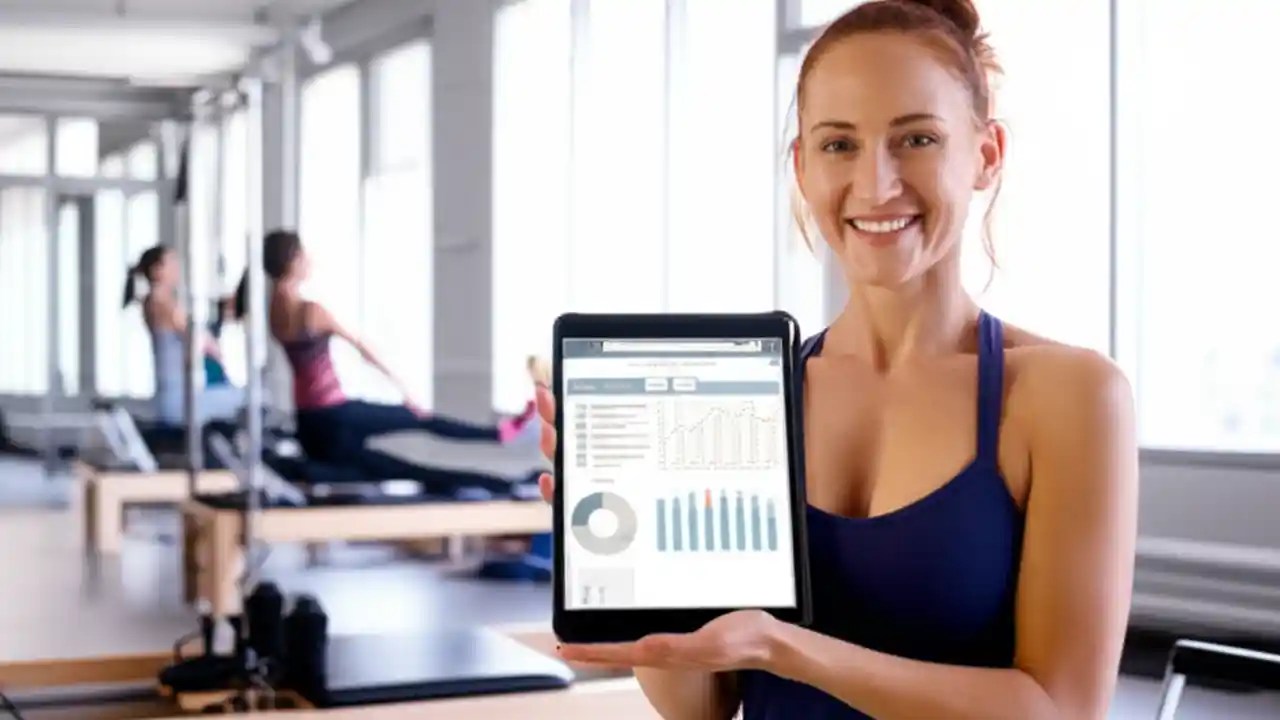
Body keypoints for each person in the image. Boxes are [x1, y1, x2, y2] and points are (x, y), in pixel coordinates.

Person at [535, 1, 1139, 718]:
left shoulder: (1067, 395)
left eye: (915, 138)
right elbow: (701, 708)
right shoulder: (749, 398)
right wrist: (640, 580)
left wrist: (785, 649)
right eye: (838, 145)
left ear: (986, 155)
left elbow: (1063, 710)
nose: (876, 185)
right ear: (801, 165)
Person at [234, 229, 537, 466]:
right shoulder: (311, 311)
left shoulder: (273, 311)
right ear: (294, 259)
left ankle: (498, 446)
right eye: (305, 254)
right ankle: (499, 434)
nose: (310, 259)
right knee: (422, 421)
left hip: (308, 422)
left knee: (392, 465)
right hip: (334, 416)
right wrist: (404, 391)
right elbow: (364, 348)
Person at [123, 245, 245, 427]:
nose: (177, 268)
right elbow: (200, 340)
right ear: (157, 270)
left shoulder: (155, 302)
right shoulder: (161, 303)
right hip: (179, 402)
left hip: (175, 397)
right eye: (171, 263)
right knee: (254, 398)